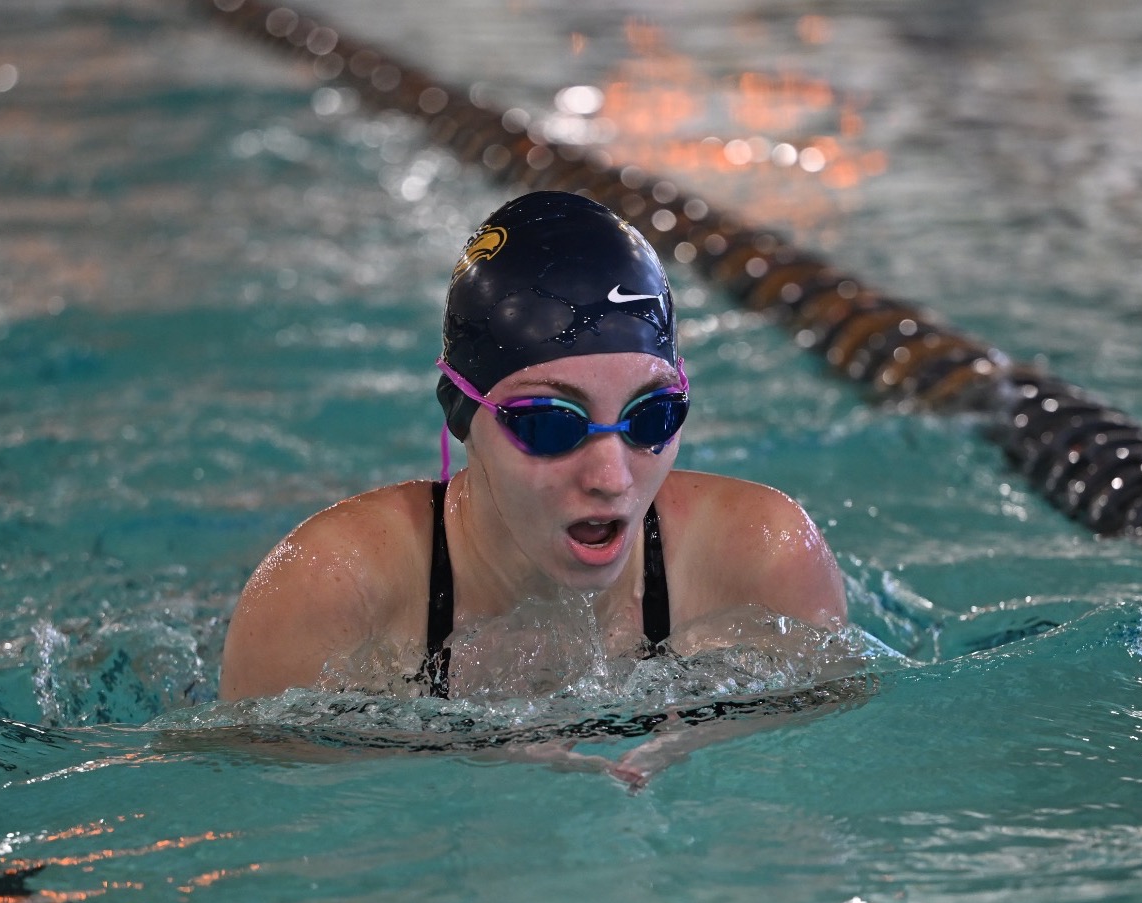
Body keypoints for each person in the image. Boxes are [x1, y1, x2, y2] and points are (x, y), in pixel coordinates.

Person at [219, 190, 847, 713]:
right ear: (461, 413)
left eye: (650, 415)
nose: (611, 476)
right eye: (551, 425)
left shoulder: (763, 562)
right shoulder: (327, 591)